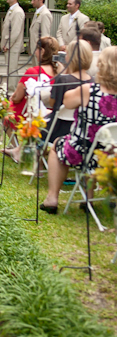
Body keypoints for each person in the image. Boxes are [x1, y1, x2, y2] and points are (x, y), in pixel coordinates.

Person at [40, 46, 117, 214]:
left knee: (58, 145)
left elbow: (66, 103)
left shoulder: (89, 91)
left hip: (82, 151)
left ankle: (52, 198)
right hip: (111, 158)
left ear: (102, 66)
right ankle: (88, 198)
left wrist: (65, 70)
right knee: (98, 147)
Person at [3, 36, 60, 162]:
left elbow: (17, 97)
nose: (35, 52)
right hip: (54, 117)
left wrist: (12, 98)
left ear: (43, 51)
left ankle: (17, 148)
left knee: (4, 110)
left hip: (32, 115)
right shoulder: (60, 74)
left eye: (37, 49)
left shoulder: (33, 71)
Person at [43, 39, 93, 145]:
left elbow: (52, 104)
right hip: (81, 131)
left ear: (69, 57)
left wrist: (62, 73)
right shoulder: (93, 81)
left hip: (56, 130)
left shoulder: (62, 80)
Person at [0, 0, 25, 89]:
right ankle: (11, 89)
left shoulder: (18, 12)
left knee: (12, 69)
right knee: (10, 68)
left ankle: (12, 90)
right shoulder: (11, 10)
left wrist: (8, 45)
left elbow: (15, 31)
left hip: (13, 46)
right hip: (9, 45)